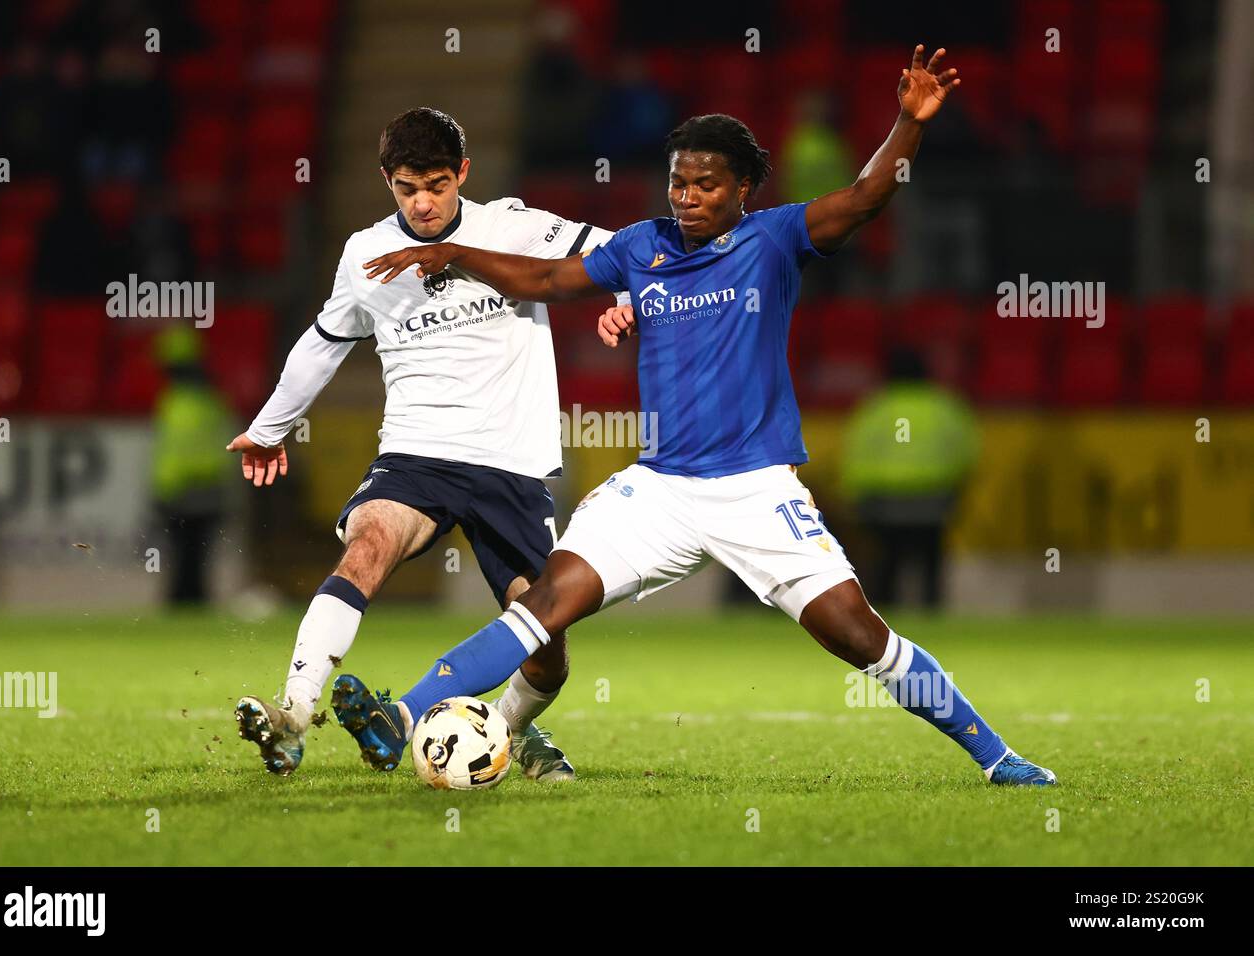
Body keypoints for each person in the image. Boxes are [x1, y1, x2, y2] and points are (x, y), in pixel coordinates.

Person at [349, 46, 1057, 787]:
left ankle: (998, 757)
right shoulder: (642, 247)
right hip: (659, 489)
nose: (686, 197)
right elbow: (551, 278)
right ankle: (402, 718)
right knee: (549, 603)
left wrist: (908, 123)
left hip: (756, 489)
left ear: (743, 189)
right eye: (678, 182)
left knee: (857, 635)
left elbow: (864, 197)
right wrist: (455, 252)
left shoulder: (774, 239)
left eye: (705, 185)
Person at [229, 108, 632, 779]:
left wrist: (622, 294)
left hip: (512, 464)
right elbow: (324, 345)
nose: (423, 202)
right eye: (407, 187)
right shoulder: (364, 253)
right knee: (368, 546)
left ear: (463, 174)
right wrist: (270, 428)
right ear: (387, 179)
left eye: (438, 185)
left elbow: (622, 249)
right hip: (418, 454)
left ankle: (508, 729)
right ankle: (293, 714)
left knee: (547, 644)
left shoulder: (512, 227)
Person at [841, 348, 978, 607]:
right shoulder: (946, 406)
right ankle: (933, 620)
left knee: (885, 567)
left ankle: (881, 629)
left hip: (884, 504)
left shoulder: (875, 408)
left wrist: (856, 500)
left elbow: (855, 456)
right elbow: (966, 453)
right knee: (930, 568)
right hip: (934, 502)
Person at [151, 325, 232, 605]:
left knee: (182, 558)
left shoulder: (175, 403)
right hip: (209, 490)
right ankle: (194, 603)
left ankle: (182, 603)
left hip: (182, 492)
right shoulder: (212, 400)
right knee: (197, 558)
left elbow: (174, 453)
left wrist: (163, 490)